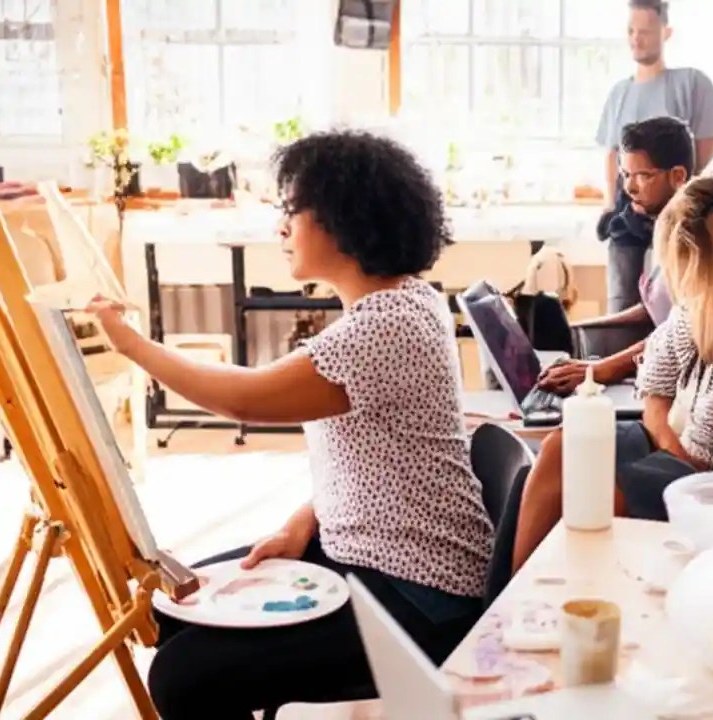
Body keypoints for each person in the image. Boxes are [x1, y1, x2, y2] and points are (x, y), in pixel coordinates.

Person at [88, 131, 493, 719]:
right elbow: (369, 458)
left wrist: (128, 343)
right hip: (368, 553)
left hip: (420, 595)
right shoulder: (402, 303)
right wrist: (304, 521)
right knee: (175, 614)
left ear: (344, 220)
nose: (282, 228)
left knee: (185, 676)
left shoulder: (387, 325)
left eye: (292, 211)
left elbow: (246, 400)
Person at [514, 177, 713, 569]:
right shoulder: (698, 309)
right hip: (678, 446)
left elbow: (698, 458)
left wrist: (659, 427)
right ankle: (512, 593)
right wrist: (662, 427)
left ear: (691, 261)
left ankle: (549, 594)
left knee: (595, 491)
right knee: (562, 447)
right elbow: (654, 386)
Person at [540, 116, 693, 396]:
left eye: (643, 176)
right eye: (626, 175)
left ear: (678, 176)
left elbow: (682, 333)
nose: (630, 188)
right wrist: (576, 329)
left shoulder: (695, 236)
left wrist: (600, 370)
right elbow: (657, 307)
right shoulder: (666, 227)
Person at [596, 0, 713, 313]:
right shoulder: (619, 94)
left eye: (645, 31)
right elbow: (610, 155)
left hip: (676, 214)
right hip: (628, 216)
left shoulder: (692, 83)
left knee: (671, 306)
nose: (636, 38)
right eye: (631, 31)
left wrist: (677, 195)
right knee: (621, 307)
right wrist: (609, 204)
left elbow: (708, 146)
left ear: (665, 32)